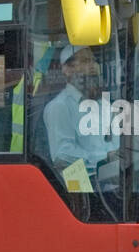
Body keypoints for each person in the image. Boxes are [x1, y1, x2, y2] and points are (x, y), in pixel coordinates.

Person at [42, 44, 118, 174]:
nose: (93, 66)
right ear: (67, 69)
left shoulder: (102, 105)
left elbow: (115, 144)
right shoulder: (59, 107)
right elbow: (63, 155)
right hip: (82, 187)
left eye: (94, 61)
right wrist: (105, 157)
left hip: (113, 182)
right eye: (85, 61)